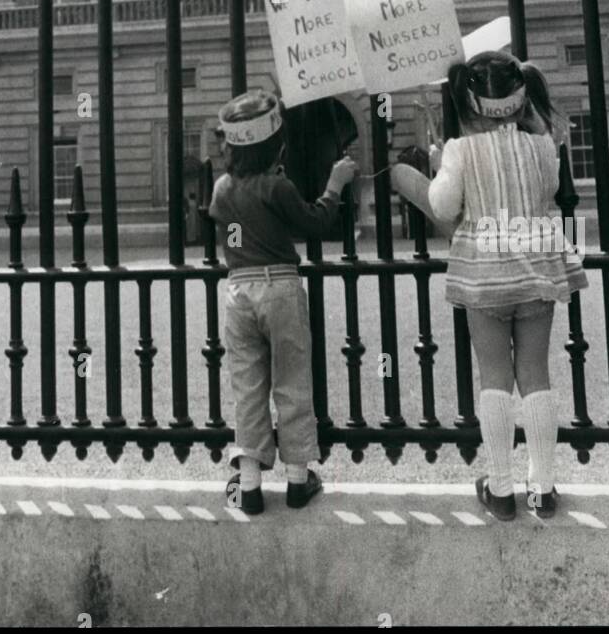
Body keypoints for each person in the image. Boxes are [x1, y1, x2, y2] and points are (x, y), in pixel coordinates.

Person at [391, 52, 587, 521]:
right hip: (536, 265)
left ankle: (500, 488)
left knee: (495, 378)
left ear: (469, 104)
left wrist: (438, 166)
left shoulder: (461, 150)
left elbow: (442, 205)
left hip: (486, 273)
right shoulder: (544, 147)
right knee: (536, 376)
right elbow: (553, 185)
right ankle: (543, 487)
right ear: (523, 102)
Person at [209, 89, 357, 514]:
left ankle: (250, 485)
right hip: (280, 288)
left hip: (239, 290)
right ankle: (297, 479)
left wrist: (248, 242)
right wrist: (334, 185)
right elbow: (314, 222)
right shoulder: (277, 185)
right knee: (292, 383)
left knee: (248, 387)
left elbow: (233, 237)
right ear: (277, 145)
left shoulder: (222, 190)